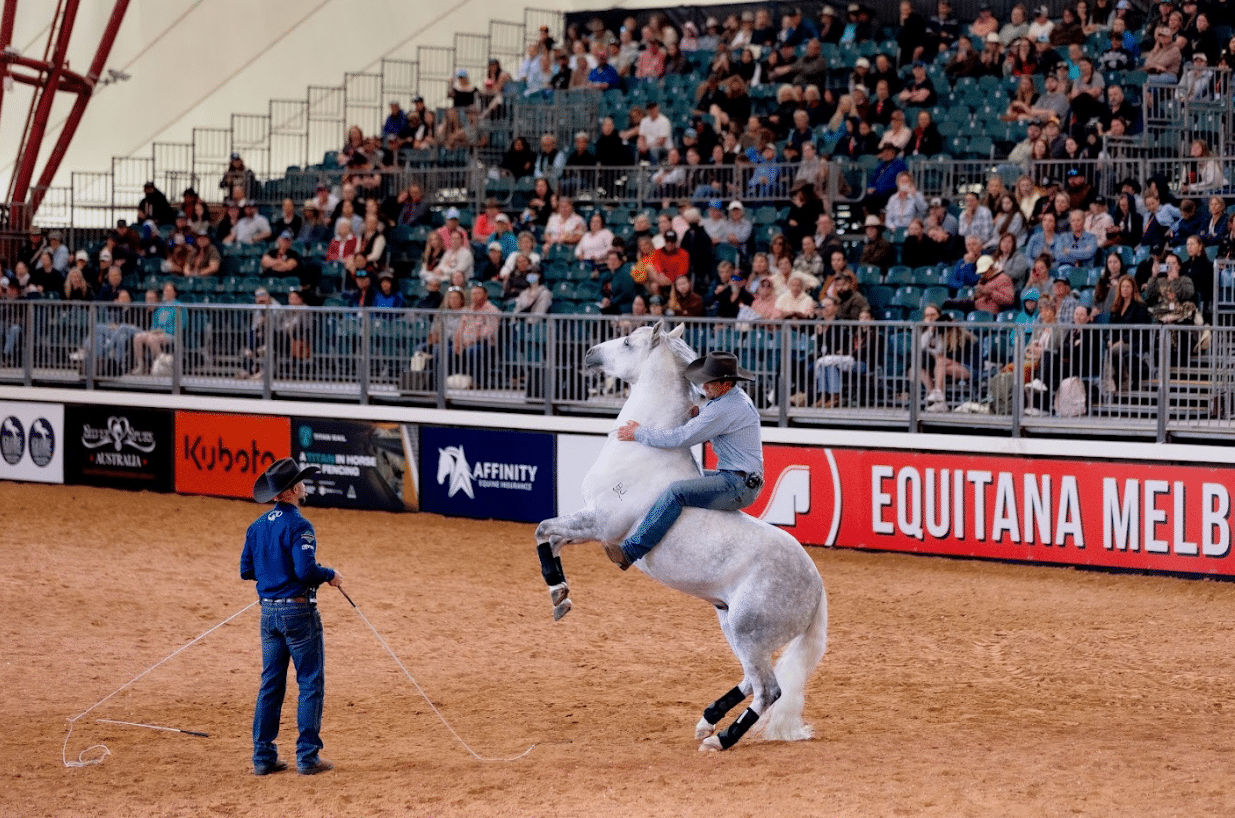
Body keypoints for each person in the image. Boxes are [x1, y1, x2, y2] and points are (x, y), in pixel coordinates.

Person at [612, 351, 764, 570]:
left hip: (736, 484)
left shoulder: (724, 407)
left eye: (709, 382)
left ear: (726, 383)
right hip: (739, 480)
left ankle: (631, 551)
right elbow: (715, 420)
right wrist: (699, 415)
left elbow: (680, 438)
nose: (704, 387)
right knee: (680, 480)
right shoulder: (731, 400)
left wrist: (638, 433)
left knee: (676, 491)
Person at [241, 458, 342, 778]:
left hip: (268, 611)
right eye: (301, 482)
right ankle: (307, 756)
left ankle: (263, 756)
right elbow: (305, 570)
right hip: (298, 611)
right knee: (310, 681)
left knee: (270, 684)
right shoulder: (300, 525)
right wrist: (330, 575)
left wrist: (272, 574)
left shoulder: (256, 527)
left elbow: (247, 571)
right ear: (293, 489)